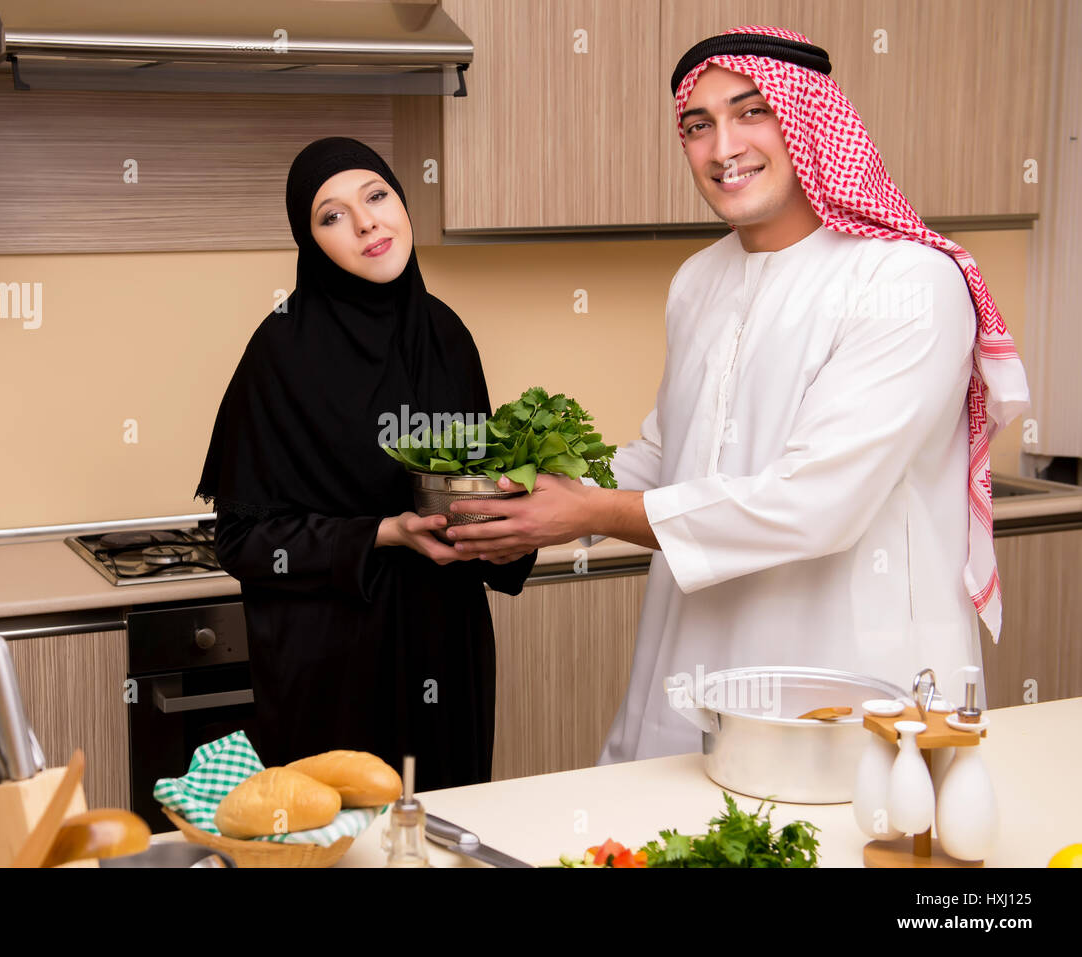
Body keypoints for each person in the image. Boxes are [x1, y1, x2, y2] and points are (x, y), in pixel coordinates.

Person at [444, 26, 1031, 761]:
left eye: (753, 112)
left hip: (853, 681)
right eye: (698, 126)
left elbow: (815, 503)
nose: (723, 149)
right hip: (692, 659)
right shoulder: (698, 280)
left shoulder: (907, 284)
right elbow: (669, 454)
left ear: (812, 119)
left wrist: (590, 511)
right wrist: (520, 498)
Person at [195, 137, 536, 789]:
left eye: (377, 195)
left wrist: (510, 522)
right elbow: (241, 542)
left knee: (441, 840)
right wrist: (385, 532)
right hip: (331, 672)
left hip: (446, 652)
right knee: (342, 849)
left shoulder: (446, 336)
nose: (366, 222)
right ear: (311, 240)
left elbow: (469, 492)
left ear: (402, 203)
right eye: (332, 215)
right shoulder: (280, 352)